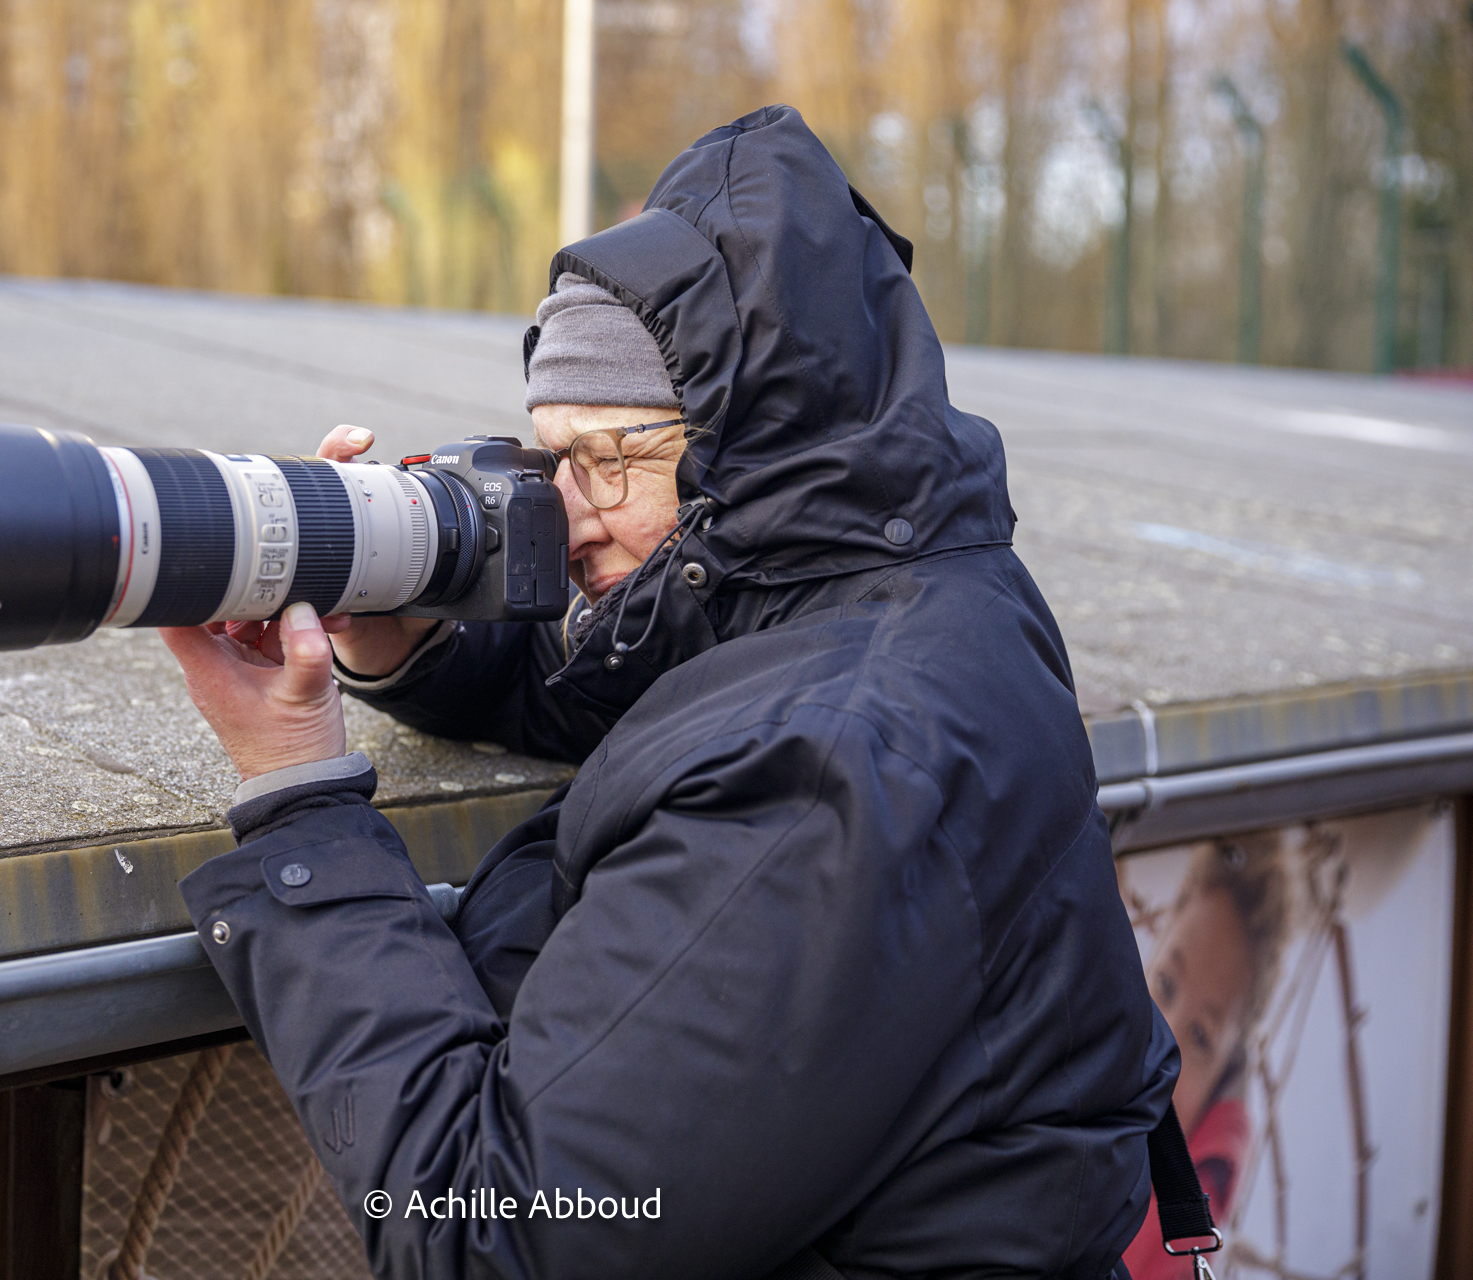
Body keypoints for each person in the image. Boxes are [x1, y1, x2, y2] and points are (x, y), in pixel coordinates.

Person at [162, 104, 1178, 1280]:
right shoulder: (885, 580)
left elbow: (497, 1236)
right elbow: (628, 688)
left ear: (743, 439)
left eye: (608, 459)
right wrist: (404, 636)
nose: (568, 512)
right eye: (550, 461)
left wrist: (297, 796)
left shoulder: (828, 774)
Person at [1122, 836, 1289, 1279]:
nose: (1163, 1041)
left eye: (1200, 1037)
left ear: (1223, 1078)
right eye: (1165, 985)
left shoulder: (1184, 1235)